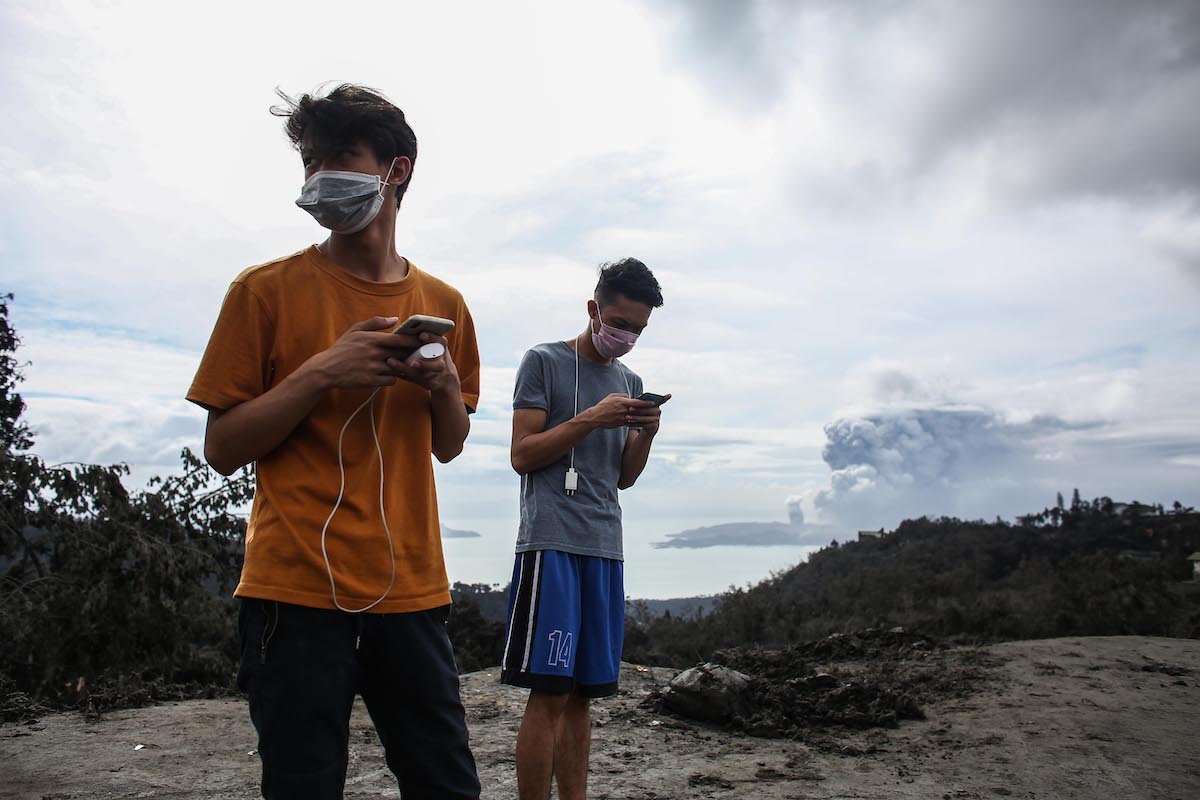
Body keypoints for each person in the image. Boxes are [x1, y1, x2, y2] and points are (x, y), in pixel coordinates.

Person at [186, 84, 481, 799]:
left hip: (411, 591)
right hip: (294, 595)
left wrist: (441, 389)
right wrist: (323, 371)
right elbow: (222, 448)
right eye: (311, 163)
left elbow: (450, 445)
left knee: (447, 786)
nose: (320, 179)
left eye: (339, 158)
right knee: (303, 787)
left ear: (396, 170)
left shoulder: (444, 306)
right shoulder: (264, 292)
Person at [502, 258, 669, 800]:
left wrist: (646, 433)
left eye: (639, 329)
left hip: (604, 548)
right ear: (594, 308)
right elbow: (522, 455)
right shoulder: (544, 362)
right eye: (621, 323)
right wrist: (590, 419)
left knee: (581, 698)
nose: (627, 336)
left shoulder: (630, 381)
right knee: (548, 694)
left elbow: (622, 478)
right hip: (551, 545)